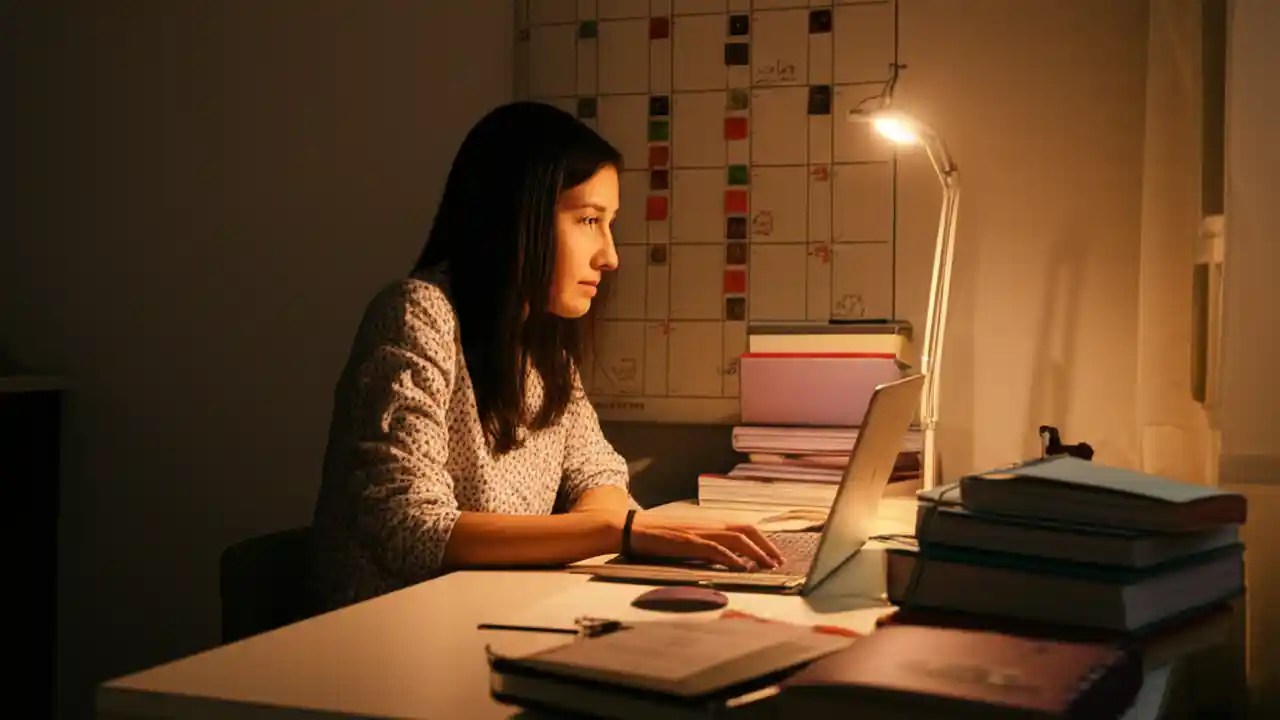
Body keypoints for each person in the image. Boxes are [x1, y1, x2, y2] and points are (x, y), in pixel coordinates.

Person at [309, 101, 783, 611]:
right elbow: (409, 528)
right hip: (388, 636)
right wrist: (616, 530)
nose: (610, 255)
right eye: (588, 220)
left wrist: (615, 525)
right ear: (517, 218)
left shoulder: (542, 340)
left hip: (488, 616)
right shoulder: (418, 313)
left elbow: (597, 473)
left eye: (609, 223)